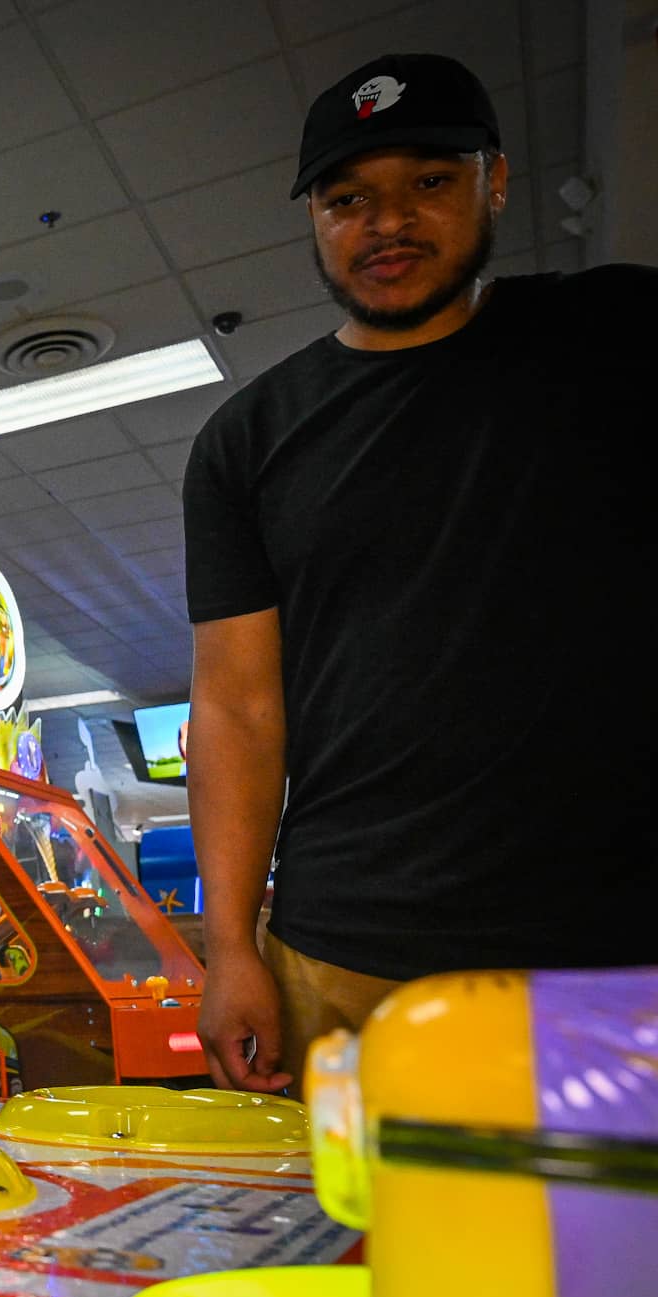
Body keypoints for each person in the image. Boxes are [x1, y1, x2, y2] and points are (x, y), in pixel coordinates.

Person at [183, 52, 658, 1095]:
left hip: (609, 951)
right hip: (342, 952)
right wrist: (228, 947)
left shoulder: (615, 338)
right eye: (347, 198)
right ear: (313, 216)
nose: (384, 222)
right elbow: (234, 706)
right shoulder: (245, 440)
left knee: (608, 1261)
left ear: (493, 180)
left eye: (427, 184)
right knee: (359, 1253)